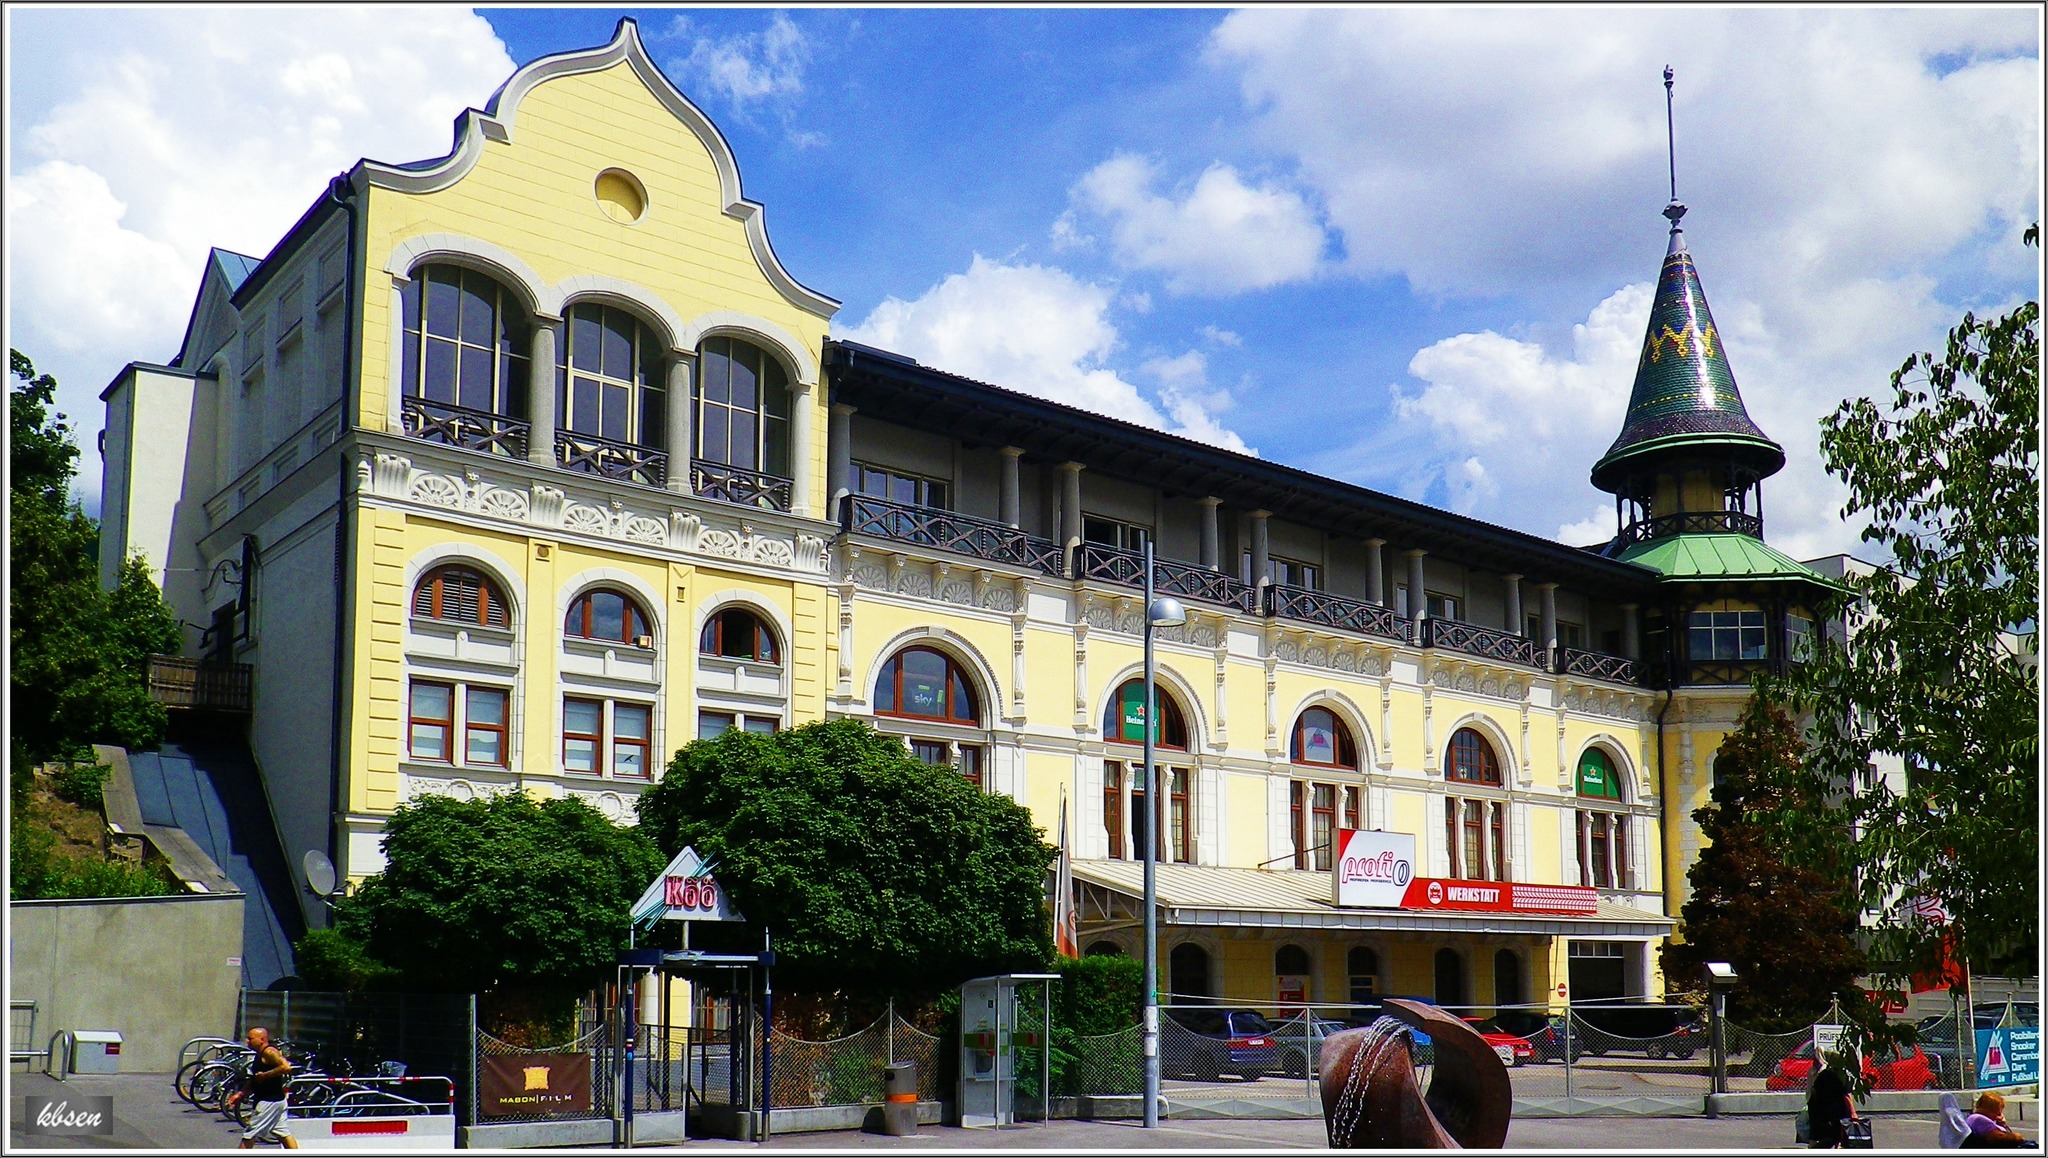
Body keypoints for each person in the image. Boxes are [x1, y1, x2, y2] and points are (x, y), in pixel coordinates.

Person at [237, 1028, 298, 1150]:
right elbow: (255, 1078)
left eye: (250, 1038)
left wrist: (265, 1075)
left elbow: (286, 1067)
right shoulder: (259, 1053)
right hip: (276, 1101)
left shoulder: (269, 1052)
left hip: (268, 1102)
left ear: (262, 1039)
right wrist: (241, 1093)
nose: (247, 1041)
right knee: (283, 1133)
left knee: (249, 1134)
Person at [1806, 1057, 1858, 1149]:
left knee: (1823, 1135)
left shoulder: (1822, 1074)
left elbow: (1815, 1091)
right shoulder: (1840, 1074)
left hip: (1822, 1110)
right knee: (1837, 1134)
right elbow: (1846, 1094)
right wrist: (1853, 1112)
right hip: (1837, 1109)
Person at [1959, 1091, 2036, 1149]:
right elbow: (1997, 1136)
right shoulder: (1978, 1119)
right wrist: (2016, 1137)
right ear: (1993, 1108)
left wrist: (2002, 1124)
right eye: (2000, 1109)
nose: (2001, 1112)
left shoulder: (1978, 1118)